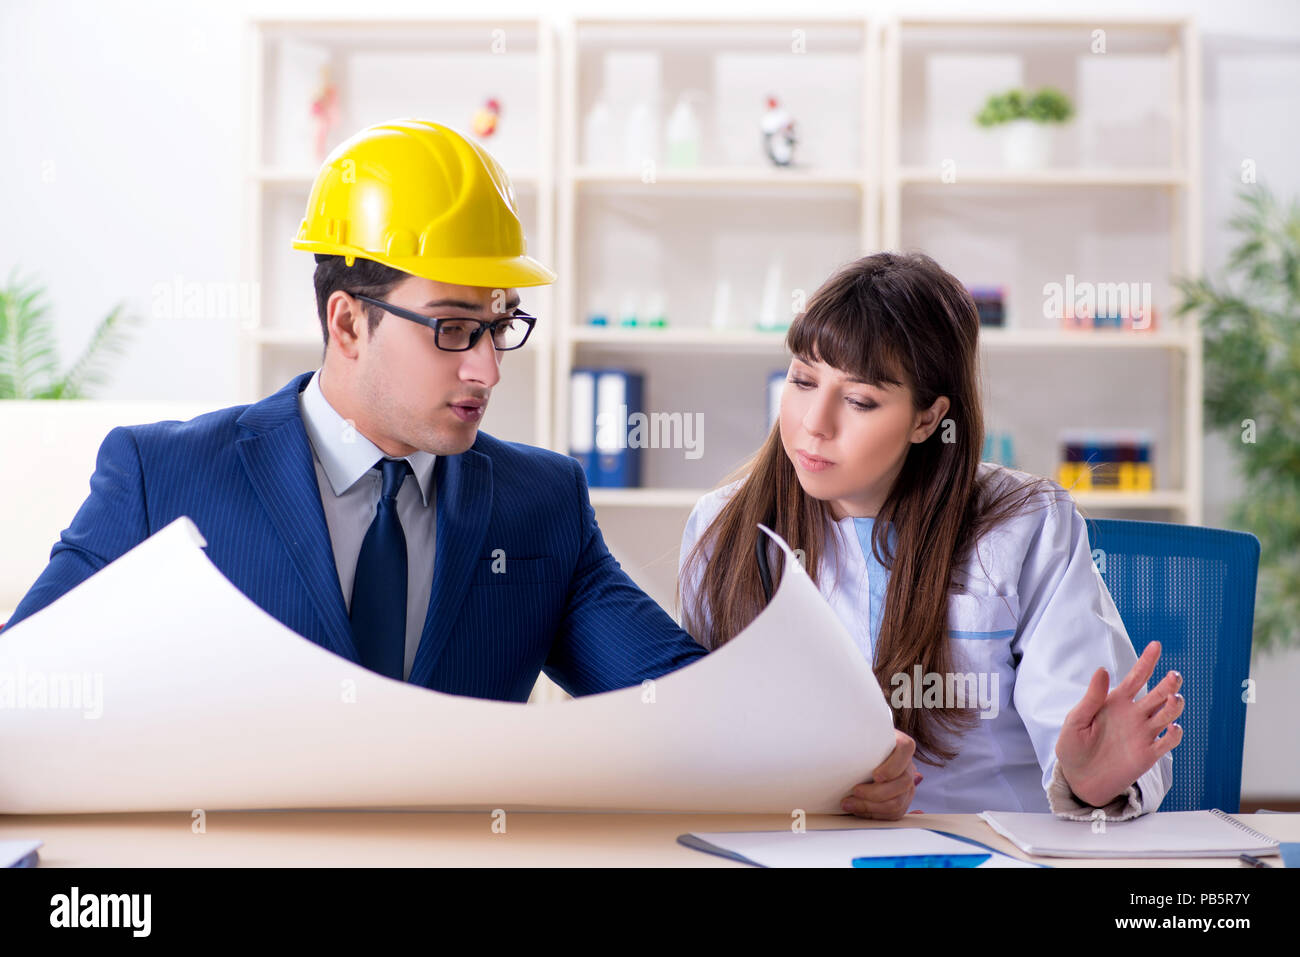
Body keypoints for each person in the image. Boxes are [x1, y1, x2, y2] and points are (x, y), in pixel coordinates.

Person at [8, 119, 706, 699]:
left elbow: (687, 703)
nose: (487, 368)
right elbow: (22, 693)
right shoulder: (162, 477)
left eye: (500, 328)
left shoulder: (542, 504)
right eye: (454, 329)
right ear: (346, 324)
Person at [678, 251, 1181, 820]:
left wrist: (1090, 782)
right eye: (801, 380)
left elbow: (1088, 727)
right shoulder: (724, 528)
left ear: (927, 418)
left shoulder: (1027, 525)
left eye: (860, 399)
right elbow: (701, 737)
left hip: (989, 850)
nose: (814, 423)